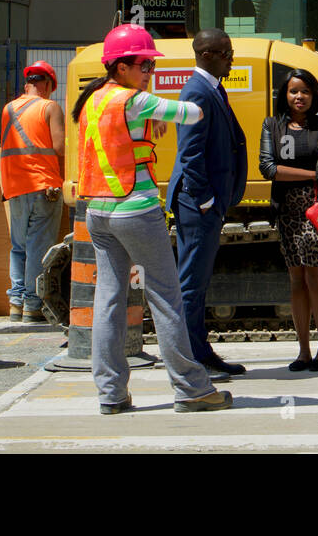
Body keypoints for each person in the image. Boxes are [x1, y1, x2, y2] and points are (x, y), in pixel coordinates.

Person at [74, 23, 232, 413]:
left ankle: (111, 394)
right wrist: (158, 108)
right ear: (121, 66)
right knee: (166, 298)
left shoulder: (92, 100)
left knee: (109, 300)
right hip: (136, 210)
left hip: (98, 212)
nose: (149, 72)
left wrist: (150, 114)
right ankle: (192, 388)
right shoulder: (133, 100)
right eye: (145, 65)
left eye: (150, 66)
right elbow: (192, 112)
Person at [168, 29, 247, 375]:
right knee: (192, 283)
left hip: (204, 202)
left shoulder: (211, 88)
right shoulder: (198, 93)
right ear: (211, 54)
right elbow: (191, 153)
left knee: (197, 282)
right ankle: (193, 357)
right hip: (197, 204)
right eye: (228, 52)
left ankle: (198, 351)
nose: (232, 58)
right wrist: (205, 200)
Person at [259, 69, 318, 372]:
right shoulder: (272, 126)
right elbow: (268, 168)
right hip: (287, 211)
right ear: (285, 95)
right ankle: (303, 351)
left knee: (317, 279)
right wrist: (312, 175)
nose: (299, 96)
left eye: (305, 91)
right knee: (296, 280)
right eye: (294, 91)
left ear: (313, 95)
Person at [0, 61, 66, 323]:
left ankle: (16, 303)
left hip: (15, 186)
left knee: (19, 246)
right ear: (48, 84)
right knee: (39, 246)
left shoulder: (8, 109)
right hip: (44, 186)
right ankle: (33, 305)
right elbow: (60, 147)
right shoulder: (50, 107)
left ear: (28, 83)